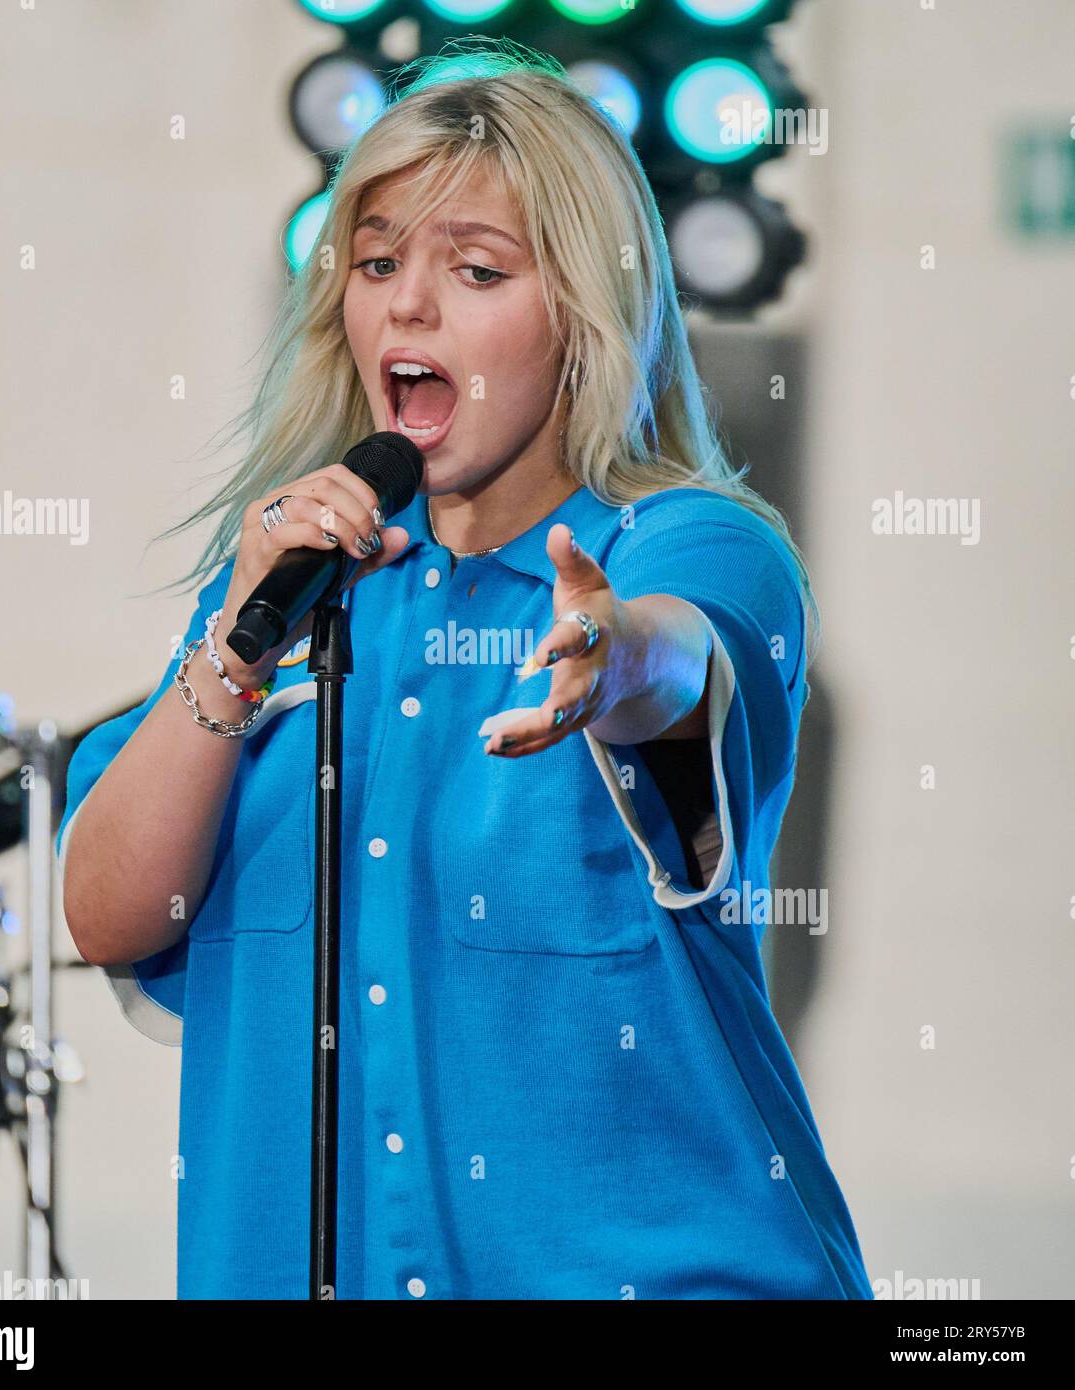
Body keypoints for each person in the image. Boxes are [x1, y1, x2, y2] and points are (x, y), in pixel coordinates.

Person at [58, 42, 872, 1300]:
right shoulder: (288, 595)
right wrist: (231, 637)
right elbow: (109, 912)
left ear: (584, 318)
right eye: (376, 262)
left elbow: (676, 653)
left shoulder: (685, 543)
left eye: (475, 269)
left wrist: (611, 661)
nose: (406, 307)